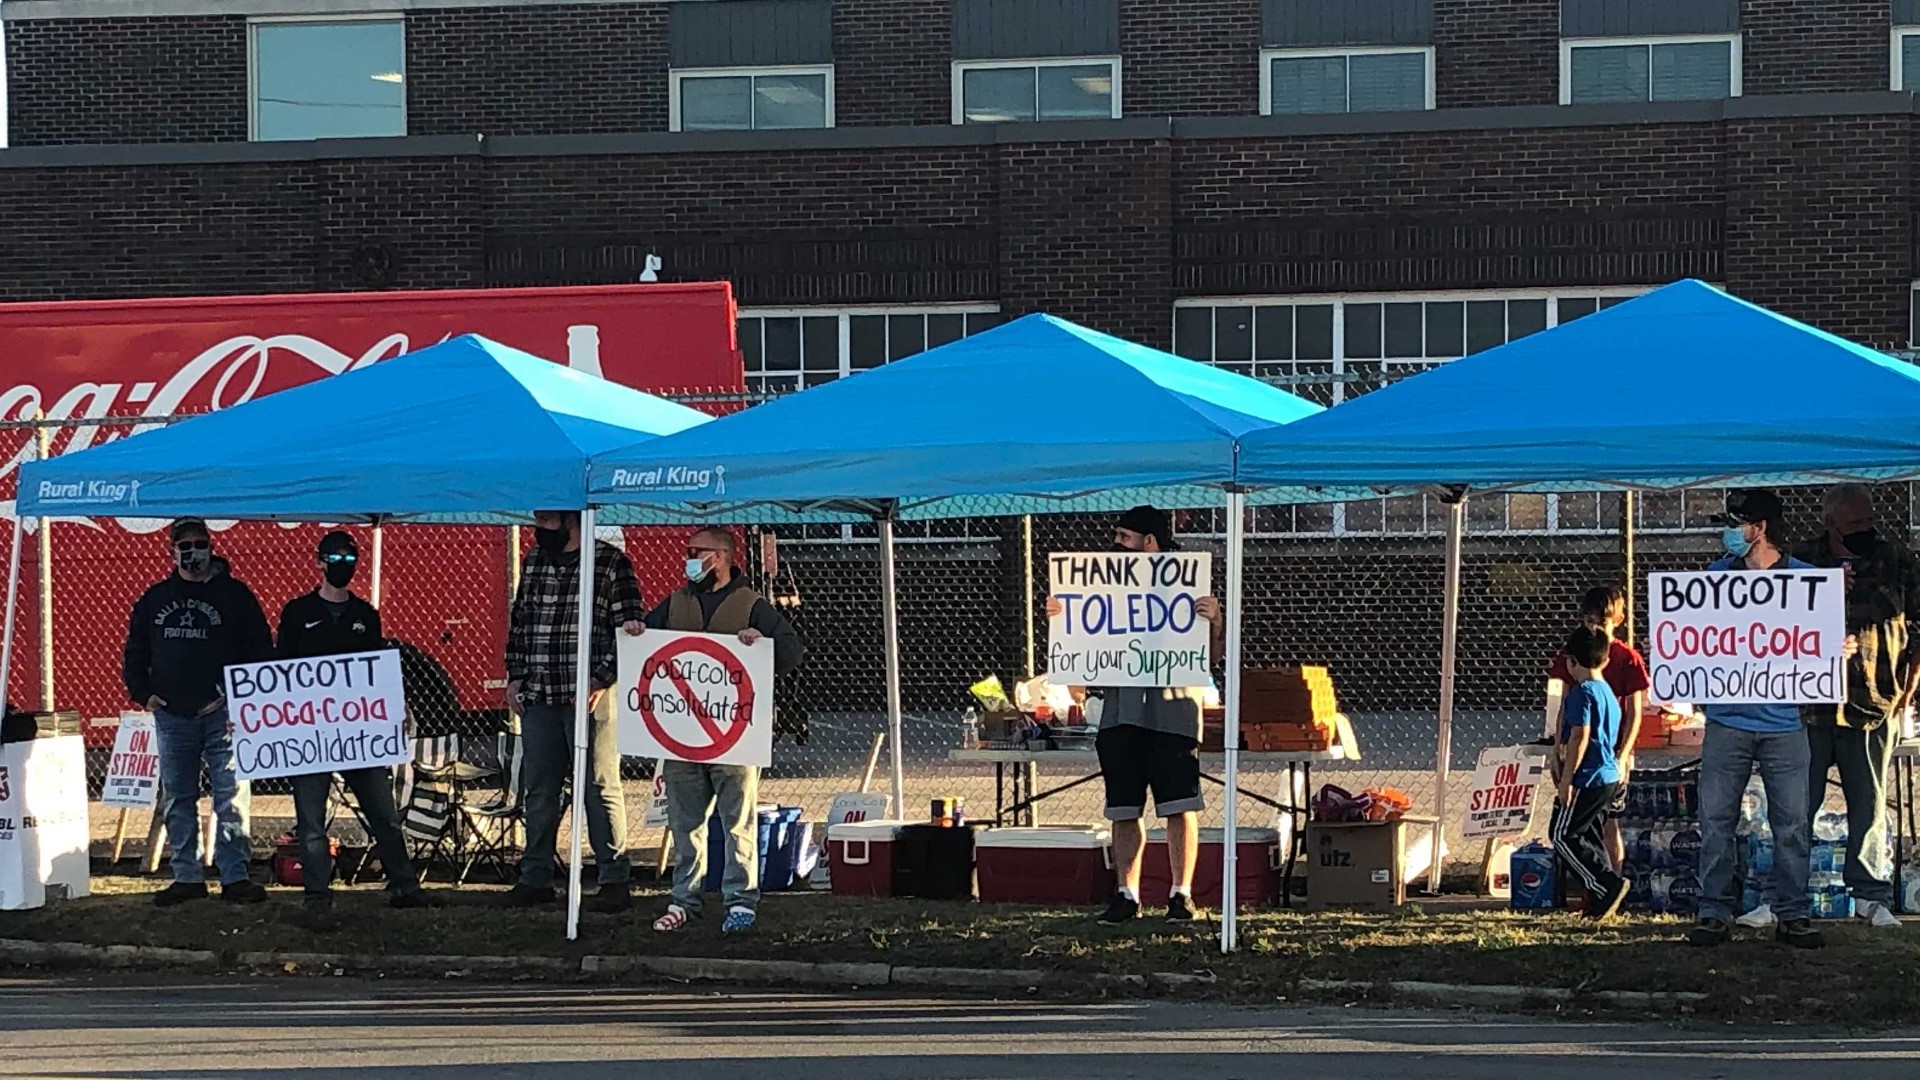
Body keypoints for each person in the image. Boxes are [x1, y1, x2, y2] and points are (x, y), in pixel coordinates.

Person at [1045, 505, 1224, 925]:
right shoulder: (1102, 585)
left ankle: (1181, 894)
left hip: (1174, 711)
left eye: (1125, 537)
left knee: (1180, 806)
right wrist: (1063, 616)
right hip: (1120, 713)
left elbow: (1213, 656)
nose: (1116, 543)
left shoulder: (1188, 585)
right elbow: (1080, 644)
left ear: (1150, 541)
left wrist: (1214, 621)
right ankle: (1127, 892)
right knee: (1123, 808)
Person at [647, 527, 803, 935]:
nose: (690, 559)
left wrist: (760, 647)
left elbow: (790, 649)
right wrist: (636, 635)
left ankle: (741, 901)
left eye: (697, 552)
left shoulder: (751, 605)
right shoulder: (675, 602)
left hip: (735, 735)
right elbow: (645, 648)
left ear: (722, 556)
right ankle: (685, 900)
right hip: (681, 733)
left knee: (738, 822)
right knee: (685, 823)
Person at [277, 531, 438, 924]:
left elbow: (377, 672)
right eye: (335, 559)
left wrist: (392, 709)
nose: (342, 567)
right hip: (311, 734)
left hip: (359, 734)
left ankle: (404, 885)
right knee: (311, 819)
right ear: (319, 562)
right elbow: (279, 672)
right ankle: (317, 896)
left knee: (382, 812)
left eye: (350, 560)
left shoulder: (365, 615)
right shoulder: (297, 613)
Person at [1689, 489, 1823, 950]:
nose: (1727, 532)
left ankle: (1793, 913)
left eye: (1736, 522)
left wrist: (1835, 648)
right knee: (1716, 820)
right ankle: (1713, 910)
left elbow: (1820, 640)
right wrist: (1673, 650)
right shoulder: (1715, 578)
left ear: (1759, 527)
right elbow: (1695, 638)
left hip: (1785, 725)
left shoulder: (1806, 581)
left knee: (1792, 823)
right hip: (1727, 722)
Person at [1785, 483, 1920, 931]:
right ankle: (1787, 895)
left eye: (1869, 521)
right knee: (1797, 803)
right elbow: (1777, 625)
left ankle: (1869, 896)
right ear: (1831, 524)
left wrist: (1909, 686)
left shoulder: (1895, 559)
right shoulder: (1800, 560)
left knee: (1870, 803)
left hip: (1874, 701)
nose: (1866, 529)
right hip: (1810, 706)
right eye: (1855, 523)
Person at [122, 518, 273, 907]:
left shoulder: (236, 596)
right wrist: (144, 694)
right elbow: (135, 650)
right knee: (178, 796)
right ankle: (186, 876)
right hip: (172, 715)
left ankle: (234, 876)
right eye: (184, 545)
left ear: (211, 546)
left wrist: (239, 697)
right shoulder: (155, 599)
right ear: (172, 552)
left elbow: (259, 651)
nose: (192, 552)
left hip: (223, 715)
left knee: (232, 795)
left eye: (199, 543)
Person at [501, 510, 646, 911]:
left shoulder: (610, 563)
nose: (538, 531)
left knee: (599, 786)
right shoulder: (533, 561)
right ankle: (536, 877)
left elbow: (630, 629)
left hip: (591, 695)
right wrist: (515, 674)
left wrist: (601, 679)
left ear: (570, 522)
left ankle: (614, 879)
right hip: (540, 692)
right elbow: (520, 623)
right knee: (539, 790)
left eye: (546, 523)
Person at [1546, 585, 1650, 873]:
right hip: (1578, 755)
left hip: (1608, 755)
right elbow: (1565, 704)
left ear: (1617, 620)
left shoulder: (1627, 658)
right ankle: (1586, 885)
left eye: (1601, 622)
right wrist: (1557, 748)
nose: (1594, 628)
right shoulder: (1573, 652)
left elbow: (1635, 714)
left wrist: (1623, 754)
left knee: (1608, 820)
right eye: (1588, 621)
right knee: (1574, 822)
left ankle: (1611, 881)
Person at [1550, 625, 1631, 920]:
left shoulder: (1581, 693)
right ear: (1606, 660)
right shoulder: (1607, 691)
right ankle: (1600, 897)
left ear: (1571, 662)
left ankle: (1607, 884)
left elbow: (1579, 736)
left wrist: (1567, 778)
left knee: (1562, 835)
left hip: (1588, 777)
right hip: (1609, 776)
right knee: (1590, 837)